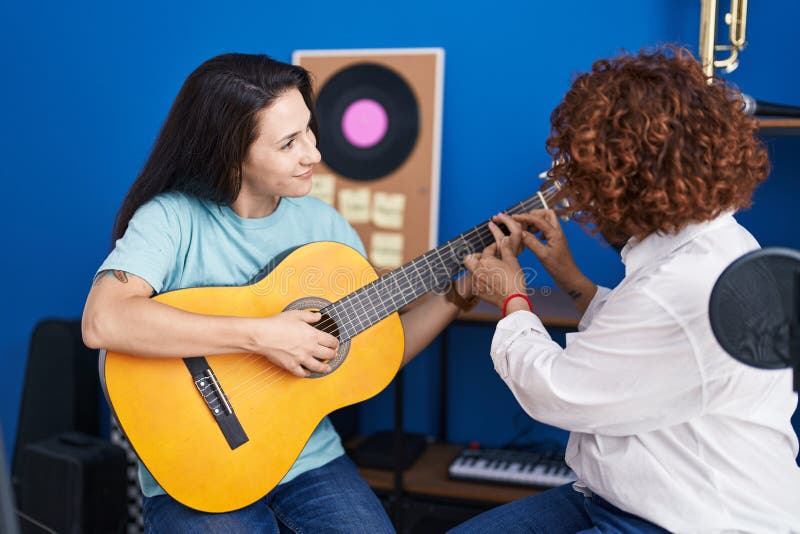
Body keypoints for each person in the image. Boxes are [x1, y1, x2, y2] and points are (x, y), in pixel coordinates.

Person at [82, 53, 475, 533]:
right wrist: (262, 336)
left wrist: (461, 293)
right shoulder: (170, 218)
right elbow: (104, 321)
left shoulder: (325, 227)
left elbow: (380, 348)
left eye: (308, 131)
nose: (314, 154)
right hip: (197, 466)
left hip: (309, 460)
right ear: (228, 152)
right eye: (289, 143)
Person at [458, 47, 800, 532]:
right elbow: (638, 345)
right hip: (628, 496)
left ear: (626, 178)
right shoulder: (718, 242)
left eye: (585, 175)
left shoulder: (680, 285)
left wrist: (513, 299)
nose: (579, 195)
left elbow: (557, 392)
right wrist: (570, 277)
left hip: (688, 517)